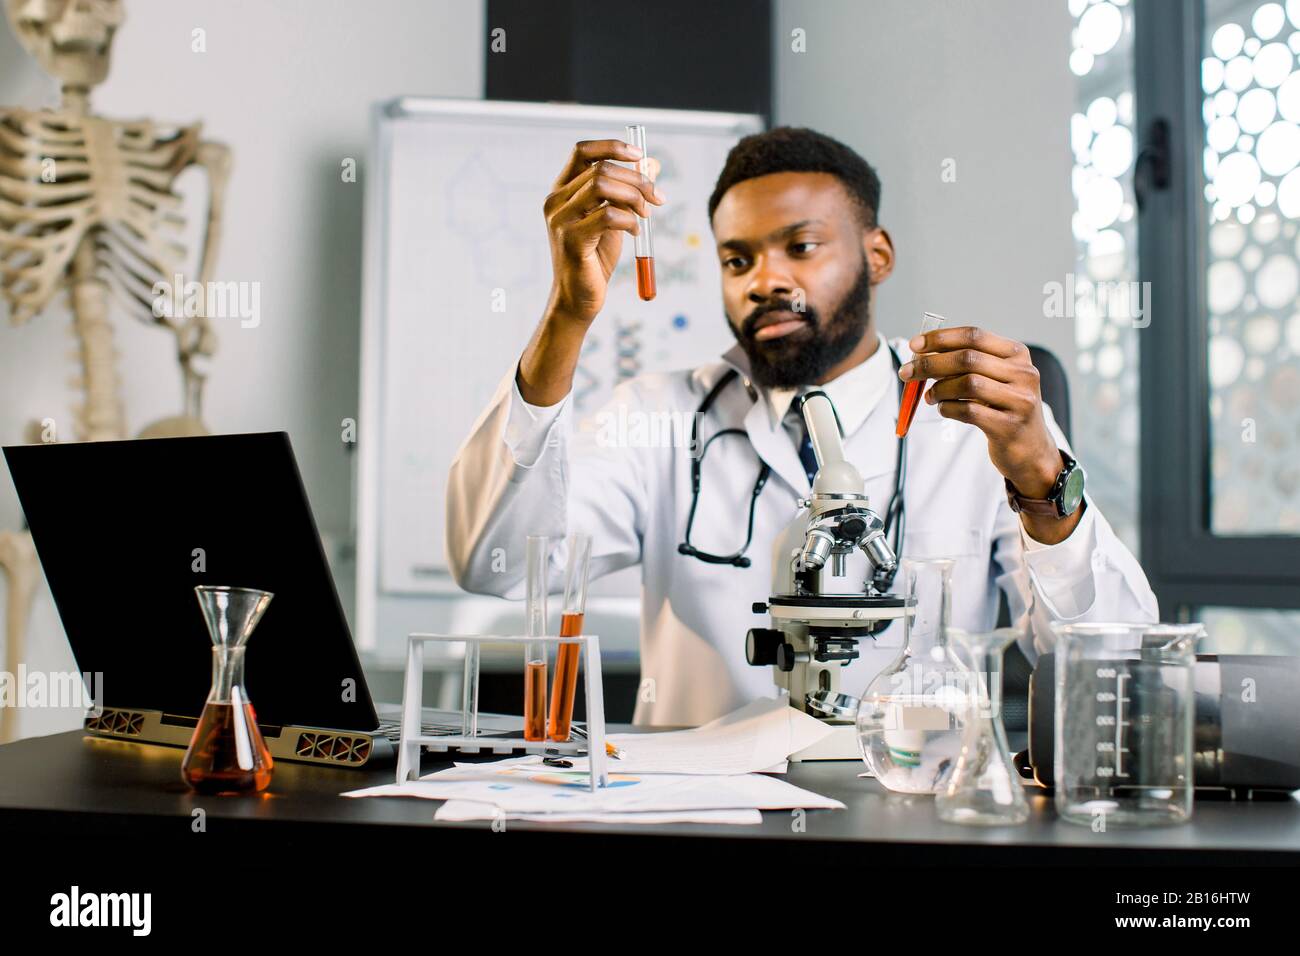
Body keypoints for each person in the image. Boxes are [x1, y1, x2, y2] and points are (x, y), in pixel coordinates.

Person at [446, 126, 1158, 727]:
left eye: (801, 246)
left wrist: (1040, 479)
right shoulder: (657, 416)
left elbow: (1113, 669)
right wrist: (567, 315)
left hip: (911, 812)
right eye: (738, 259)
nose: (765, 280)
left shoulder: (972, 423)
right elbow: (496, 564)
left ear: (876, 256)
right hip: (700, 823)